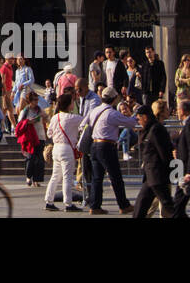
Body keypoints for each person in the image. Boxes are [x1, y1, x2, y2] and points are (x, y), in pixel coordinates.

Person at [85, 87, 137, 215]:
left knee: (97, 177)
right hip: (107, 146)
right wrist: (136, 116)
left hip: (94, 145)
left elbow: (83, 124)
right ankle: (123, 205)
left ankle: (95, 205)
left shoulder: (95, 110)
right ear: (114, 99)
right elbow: (130, 123)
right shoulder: (112, 113)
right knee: (116, 177)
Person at [132, 102, 175, 218]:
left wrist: (169, 172)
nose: (138, 122)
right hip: (151, 176)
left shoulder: (156, 129)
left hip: (157, 175)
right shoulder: (150, 129)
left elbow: (164, 153)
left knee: (169, 207)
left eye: (139, 119)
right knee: (140, 207)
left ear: (145, 117)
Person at [43, 91, 82, 211]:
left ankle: (49, 201)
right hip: (67, 148)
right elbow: (86, 122)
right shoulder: (74, 118)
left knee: (55, 176)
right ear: (68, 105)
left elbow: (49, 134)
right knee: (67, 177)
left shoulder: (55, 117)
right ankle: (68, 203)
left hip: (56, 147)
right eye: (72, 102)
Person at [14, 89, 46, 187]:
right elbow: (21, 122)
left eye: (37, 99)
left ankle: (37, 179)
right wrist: (32, 120)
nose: (36, 102)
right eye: (35, 100)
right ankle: (28, 176)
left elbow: (46, 118)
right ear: (30, 101)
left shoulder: (40, 109)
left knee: (39, 158)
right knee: (30, 158)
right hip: (30, 138)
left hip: (40, 136)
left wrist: (44, 116)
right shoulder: (26, 110)